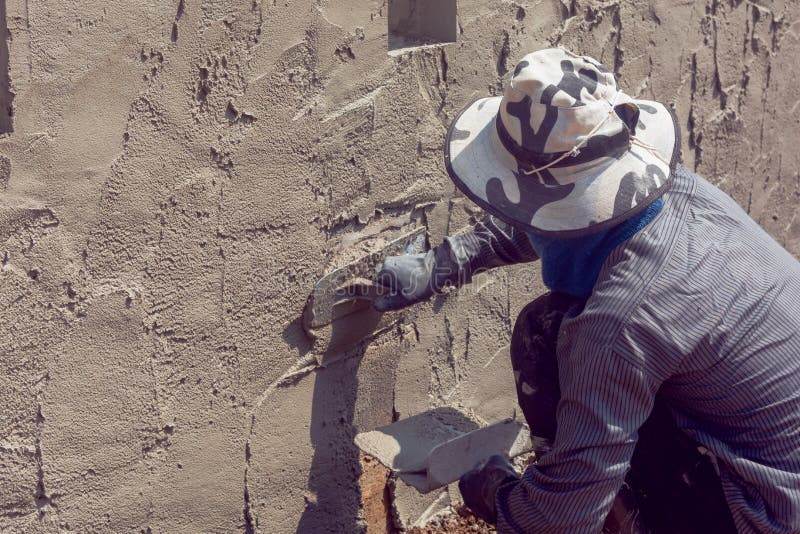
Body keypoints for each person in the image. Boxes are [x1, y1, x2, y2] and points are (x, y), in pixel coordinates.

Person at [373, 48, 800, 533]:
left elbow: (556, 522)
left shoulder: (619, 322)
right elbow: (560, 212)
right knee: (551, 331)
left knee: (552, 345)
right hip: (777, 462)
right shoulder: (673, 190)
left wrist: (496, 493)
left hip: (768, 515)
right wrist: (448, 262)